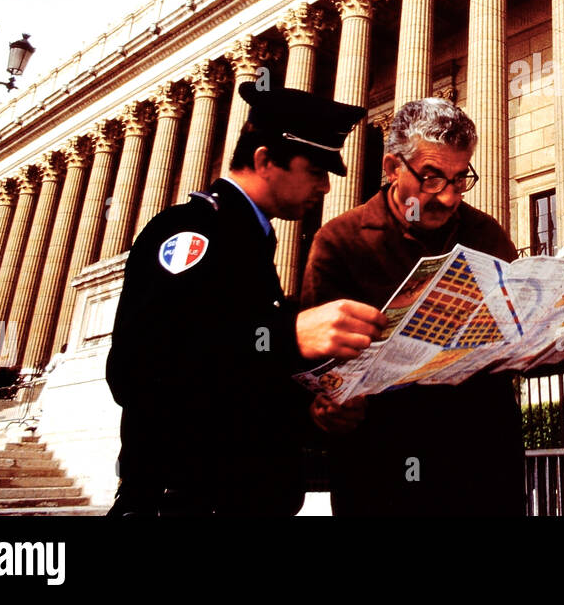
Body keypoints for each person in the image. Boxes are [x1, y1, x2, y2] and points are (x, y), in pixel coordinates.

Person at [301, 97, 564, 516]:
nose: (447, 197)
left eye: (460, 179)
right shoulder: (340, 242)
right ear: (392, 168)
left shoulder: (486, 234)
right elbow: (315, 372)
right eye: (431, 178)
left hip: (482, 465)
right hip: (383, 473)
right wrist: (326, 409)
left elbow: (511, 346)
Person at [106, 83, 387, 516]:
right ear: (264, 160)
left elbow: (240, 386)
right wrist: (287, 336)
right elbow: (139, 369)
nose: (326, 189)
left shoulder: (250, 243)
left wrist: (312, 411)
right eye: (315, 170)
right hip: (188, 502)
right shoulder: (191, 232)